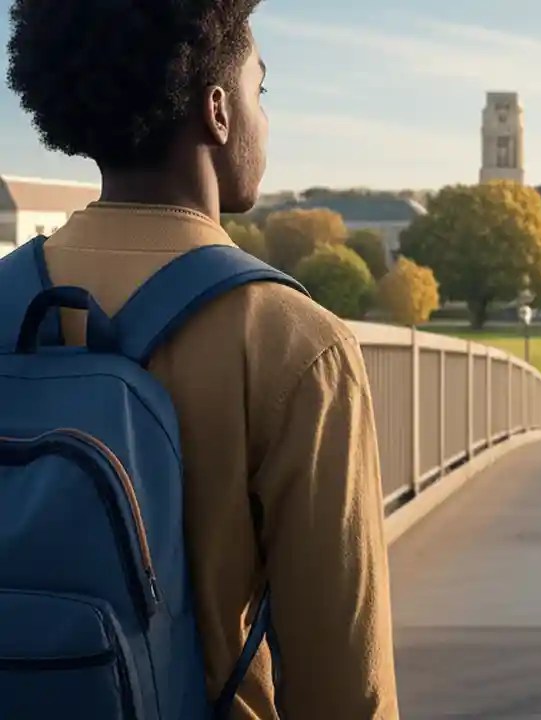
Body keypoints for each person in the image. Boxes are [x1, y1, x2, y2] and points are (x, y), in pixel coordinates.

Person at [5, 2, 399, 717]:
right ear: (218, 112)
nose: (265, 121)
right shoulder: (295, 344)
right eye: (261, 92)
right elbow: (343, 685)